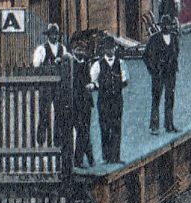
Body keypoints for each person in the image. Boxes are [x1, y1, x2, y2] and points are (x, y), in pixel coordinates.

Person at [32, 24, 78, 169]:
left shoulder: (62, 49)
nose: (54, 36)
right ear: (48, 35)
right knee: (44, 113)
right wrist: (49, 67)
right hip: (46, 86)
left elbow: (68, 64)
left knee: (59, 113)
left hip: (59, 86)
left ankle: (57, 141)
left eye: (56, 34)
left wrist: (60, 62)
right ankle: (41, 141)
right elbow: (36, 65)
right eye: (52, 34)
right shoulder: (42, 49)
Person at [89, 35, 128, 164]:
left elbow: (125, 80)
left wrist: (115, 85)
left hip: (117, 100)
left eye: (111, 48)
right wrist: (99, 85)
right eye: (107, 48)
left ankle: (115, 156)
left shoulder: (121, 63)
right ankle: (106, 157)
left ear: (115, 48)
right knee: (105, 127)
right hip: (103, 101)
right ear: (104, 49)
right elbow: (93, 81)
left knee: (116, 127)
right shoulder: (97, 65)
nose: (110, 50)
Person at [145, 18, 181, 134]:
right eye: (164, 25)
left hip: (170, 73)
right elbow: (146, 56)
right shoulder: (154, 39)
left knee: (170, 99)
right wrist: (153, 70)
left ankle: (169, 125)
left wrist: (173, 64)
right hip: (158, 74)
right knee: (156, 99)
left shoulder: (174, 38)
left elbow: (176, 52)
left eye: (169, 25)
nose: (167, 27)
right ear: (161, 27)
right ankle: (154, 126)